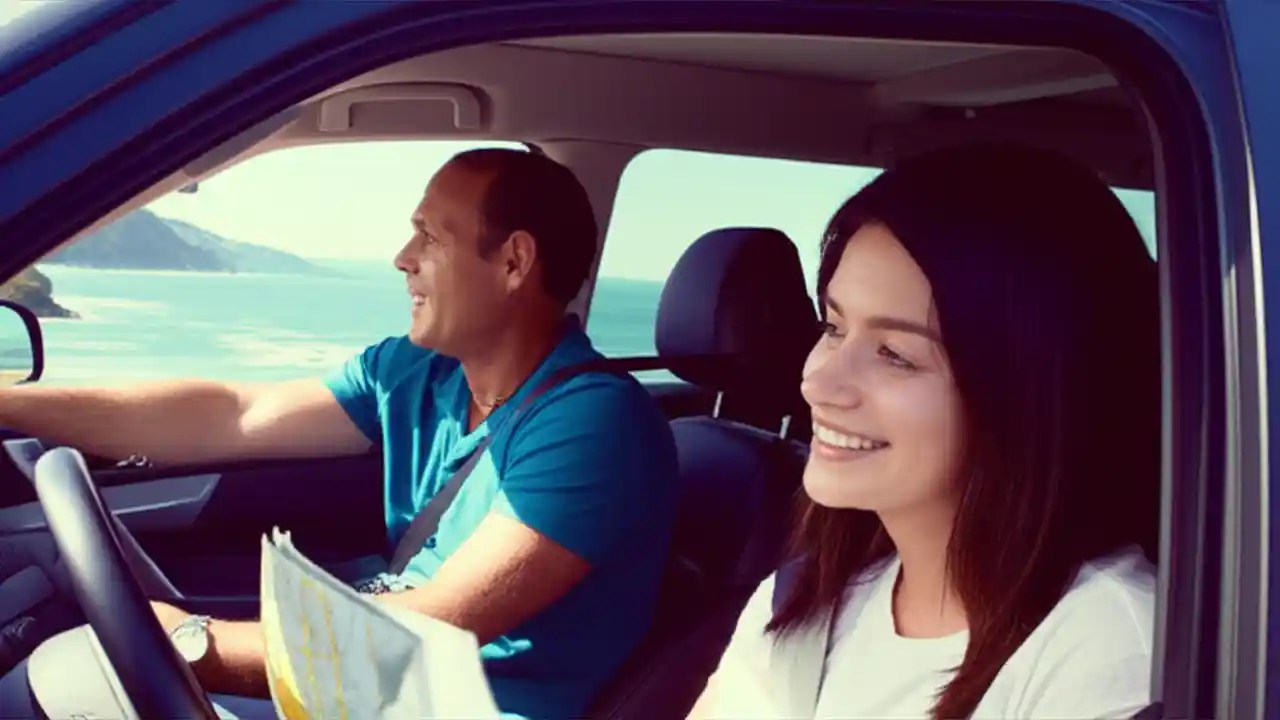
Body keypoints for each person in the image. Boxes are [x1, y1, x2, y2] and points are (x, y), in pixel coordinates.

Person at [0, 147, 679, 719]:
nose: (402, 258)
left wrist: (195, 643)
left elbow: (430, 628)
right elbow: (232, 415)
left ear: (513, 262)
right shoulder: (420, 372)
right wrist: (11, 402)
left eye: (429, 237)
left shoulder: (595, 426)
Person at [692, 144, 1161, 719]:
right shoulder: (798, 602)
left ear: (1029, 395)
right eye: (833, 328)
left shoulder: (1110, 652)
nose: (818, 382)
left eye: (895, 353)